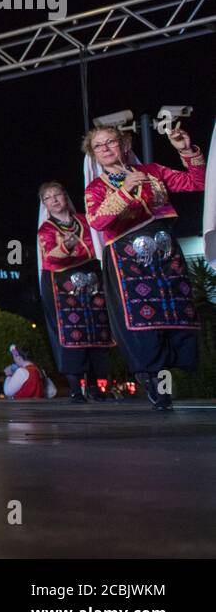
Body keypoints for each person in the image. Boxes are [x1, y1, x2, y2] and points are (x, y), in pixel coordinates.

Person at [83, 123, 206, 410]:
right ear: (94, 155)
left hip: (165, 253)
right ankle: (152, 382)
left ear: (124, 145)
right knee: (142, 325)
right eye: (98, 146)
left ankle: (169, 380)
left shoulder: (153, 172)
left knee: (176, 317)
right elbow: (97, 221)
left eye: (110, 142)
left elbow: (197, 182)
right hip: (129, 261)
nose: (105, 148)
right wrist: (125, 191)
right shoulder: (96, 188)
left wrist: (186, 150)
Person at [36, 181, 114, 402]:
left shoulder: (84, 220)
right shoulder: (46, 229)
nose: (54, 200)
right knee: (70, 333)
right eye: (48, 197)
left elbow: (94, 246)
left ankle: (94, 386)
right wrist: (67, 248)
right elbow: (50, 255)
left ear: (65, 196)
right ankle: (74, 388)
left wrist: (74, 250)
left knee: (96, 331)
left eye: (57, 195)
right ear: (45, 204)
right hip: (61, 286)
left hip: (91, 282)